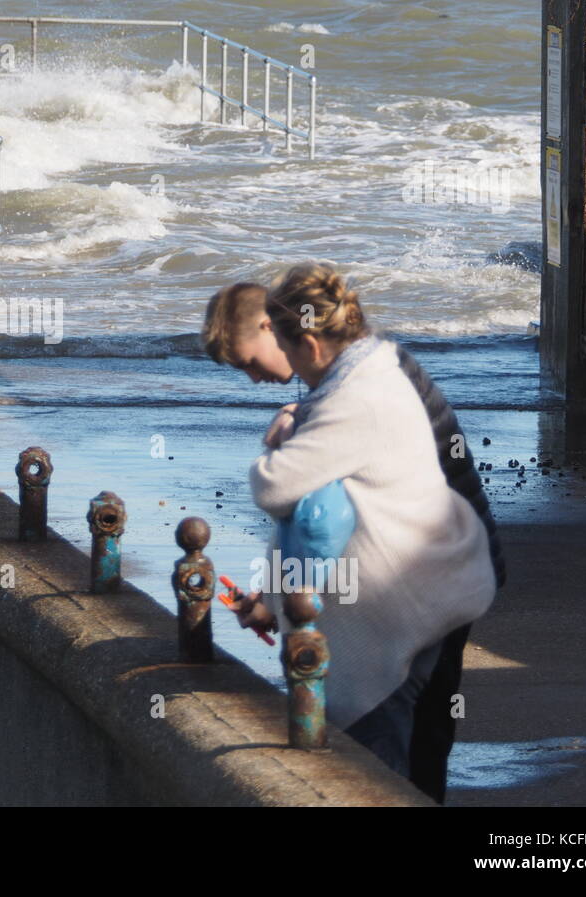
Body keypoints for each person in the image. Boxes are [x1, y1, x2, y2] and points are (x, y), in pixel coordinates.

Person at [201, 268, 501, 798]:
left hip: (431, 572)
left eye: (250, 361)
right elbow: (314, 518)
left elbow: (279, 488)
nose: (256, 376)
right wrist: (274, 596)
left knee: (394, 739)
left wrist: (296, 431)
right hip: (438, 566)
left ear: (288, 334)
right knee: (412, 732)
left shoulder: (358, 391)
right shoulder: (359, 373)